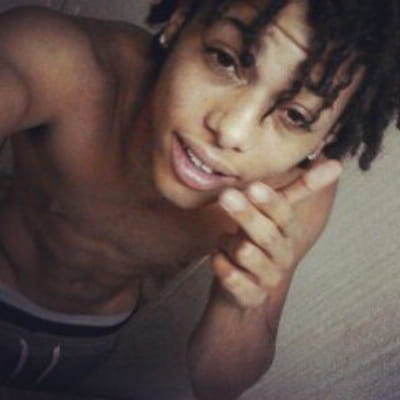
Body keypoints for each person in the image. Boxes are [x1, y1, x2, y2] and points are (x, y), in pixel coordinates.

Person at [0, 0, 398, 399]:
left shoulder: (294, 195)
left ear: (327, 137)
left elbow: (217, 384)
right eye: (225, 60)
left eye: (295, 116)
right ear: (180, 20)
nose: (231, 131)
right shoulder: (57, 60)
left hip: (91, 339)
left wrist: (239, 302)